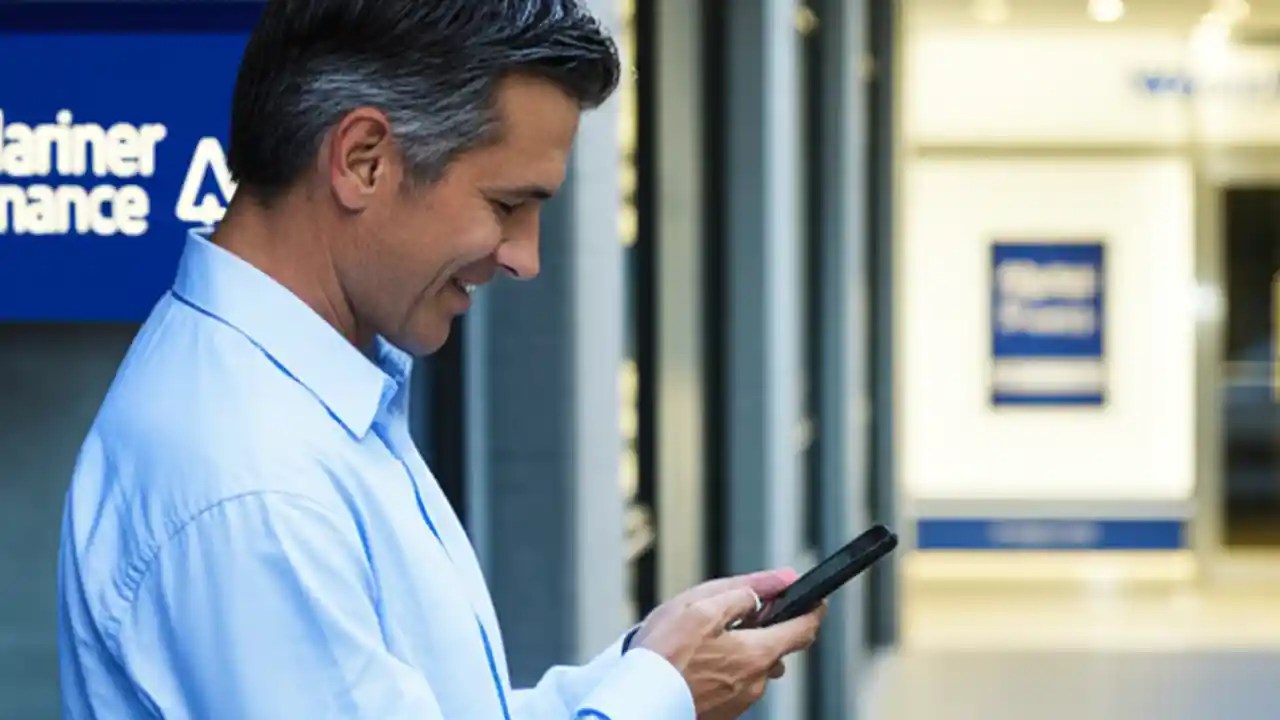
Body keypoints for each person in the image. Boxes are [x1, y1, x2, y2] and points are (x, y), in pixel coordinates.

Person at [56, 1, 826, 718]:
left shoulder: (302, 409)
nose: (525, 258)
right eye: (506, 206)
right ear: (362, 161)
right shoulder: (254, 484)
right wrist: (653, 698)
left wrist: (646, 672)